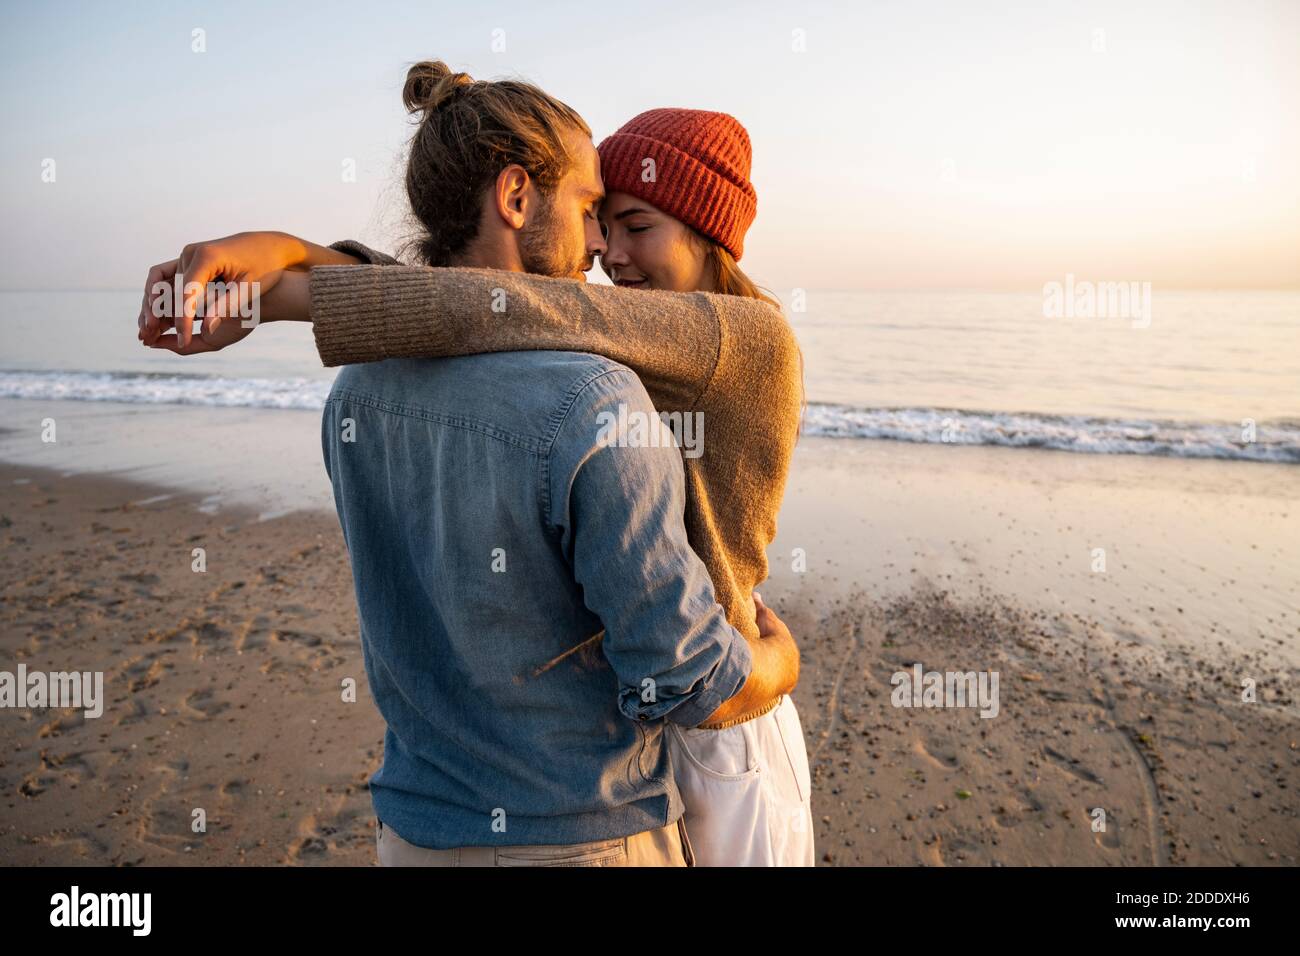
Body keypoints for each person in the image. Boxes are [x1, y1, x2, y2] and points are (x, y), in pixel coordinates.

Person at [140, 64, 811, 865]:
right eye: (599, 215)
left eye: (635, 224)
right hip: (642, 750)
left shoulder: (745, 340)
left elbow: (492, 302)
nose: (605, 253)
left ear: (710, 233)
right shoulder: (593, 383)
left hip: (701, 733)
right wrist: (777, 666)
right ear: (518, 196)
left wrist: (285, 274)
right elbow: (488, 305)